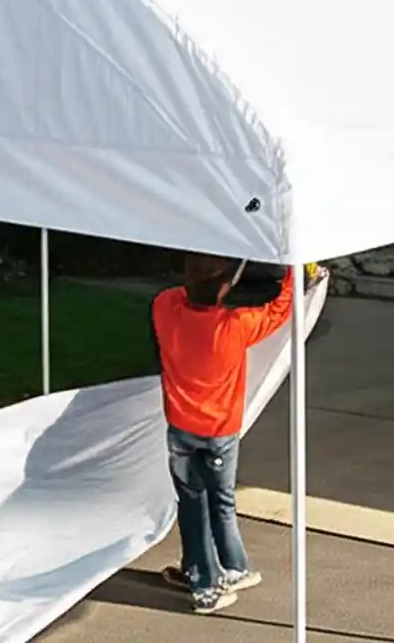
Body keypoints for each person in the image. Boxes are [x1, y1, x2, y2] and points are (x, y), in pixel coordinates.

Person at [150, 255, 295, 614]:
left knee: (193, 504)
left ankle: (208, 575)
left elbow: (178, 294)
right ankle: (219, 577)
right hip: (220, 433)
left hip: (182, 430)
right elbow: (279, 310)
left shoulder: (164, 308)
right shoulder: (235, 326)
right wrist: (294, 271)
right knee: (221, 501)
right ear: (225, 288)